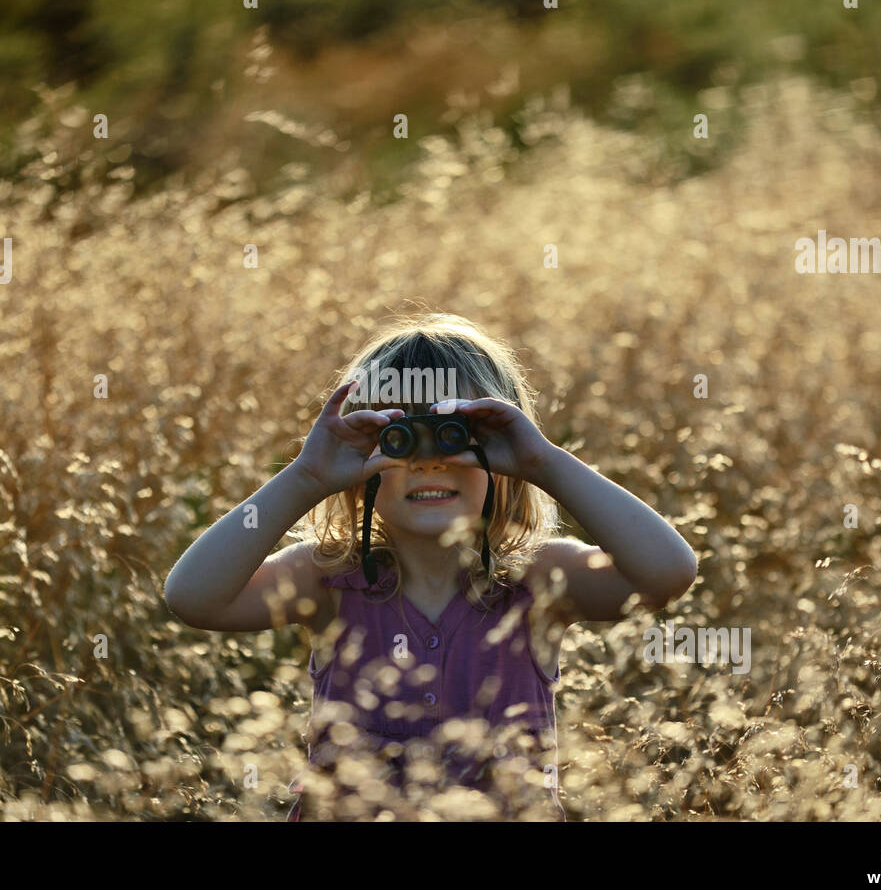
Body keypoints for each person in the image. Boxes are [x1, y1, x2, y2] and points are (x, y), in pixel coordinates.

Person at [163, 313, 698, 820]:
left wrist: (541, 462)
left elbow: (667, 572)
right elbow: (194, 597)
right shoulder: (327, 577)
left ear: (503, 448)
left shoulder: (538, 579)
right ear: (362, 461)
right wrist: (307, 477)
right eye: (397, 439)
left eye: (459, 435)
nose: (429, 460)